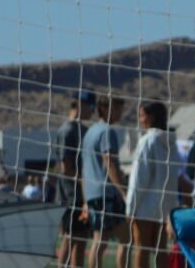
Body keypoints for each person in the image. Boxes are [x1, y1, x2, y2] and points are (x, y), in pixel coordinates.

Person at [126, 101, 180, 268]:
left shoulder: (147, 141)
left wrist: (130, 207)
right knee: (160, 249)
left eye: (142, 115)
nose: (140, 120)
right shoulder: (171, 144)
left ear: (151, 117)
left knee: (141, 249)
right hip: (164, 207)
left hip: (145, 207)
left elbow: (138, 178)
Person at [82, 96, 131, 268]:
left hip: (93, 193)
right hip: (106, 193)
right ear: (103, 109)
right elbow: (109, 162)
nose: (120, 112)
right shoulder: (107, 131)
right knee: (111, 239)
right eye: (116, 108)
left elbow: (84, 169)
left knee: (107, 238)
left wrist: (85, 199)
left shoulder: (90, 132)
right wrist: (124, 193)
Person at [56, 93, 98, 268]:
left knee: (75, 241)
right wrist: (86, 183)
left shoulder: (84, 130)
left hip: (81, 196)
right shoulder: (67, 131)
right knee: (75, 241)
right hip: (72, 197)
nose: (93, 112)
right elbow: (67, 168)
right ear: (80, 105)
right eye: (92, 107)